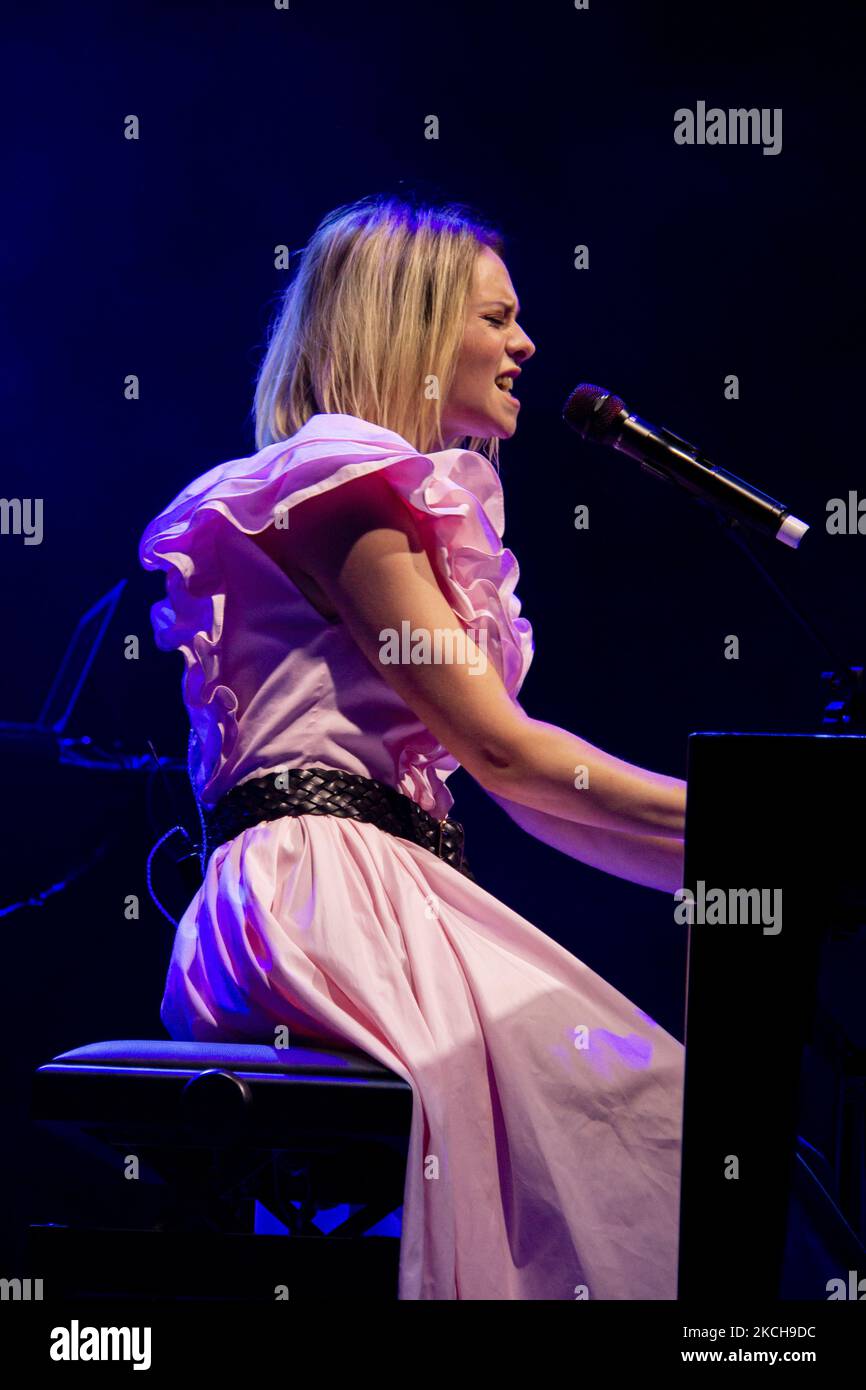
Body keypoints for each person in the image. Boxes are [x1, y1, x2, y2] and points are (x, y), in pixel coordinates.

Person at [139, 194, 687, 1301]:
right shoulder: (343, 481)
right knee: (651, 1111)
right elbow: (504, 751)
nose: (525, 344)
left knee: (653, 1108)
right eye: (497, 317)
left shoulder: (370, 491)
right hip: (325, 894)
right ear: (414, 325)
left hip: (364, 884)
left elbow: (526, 789)